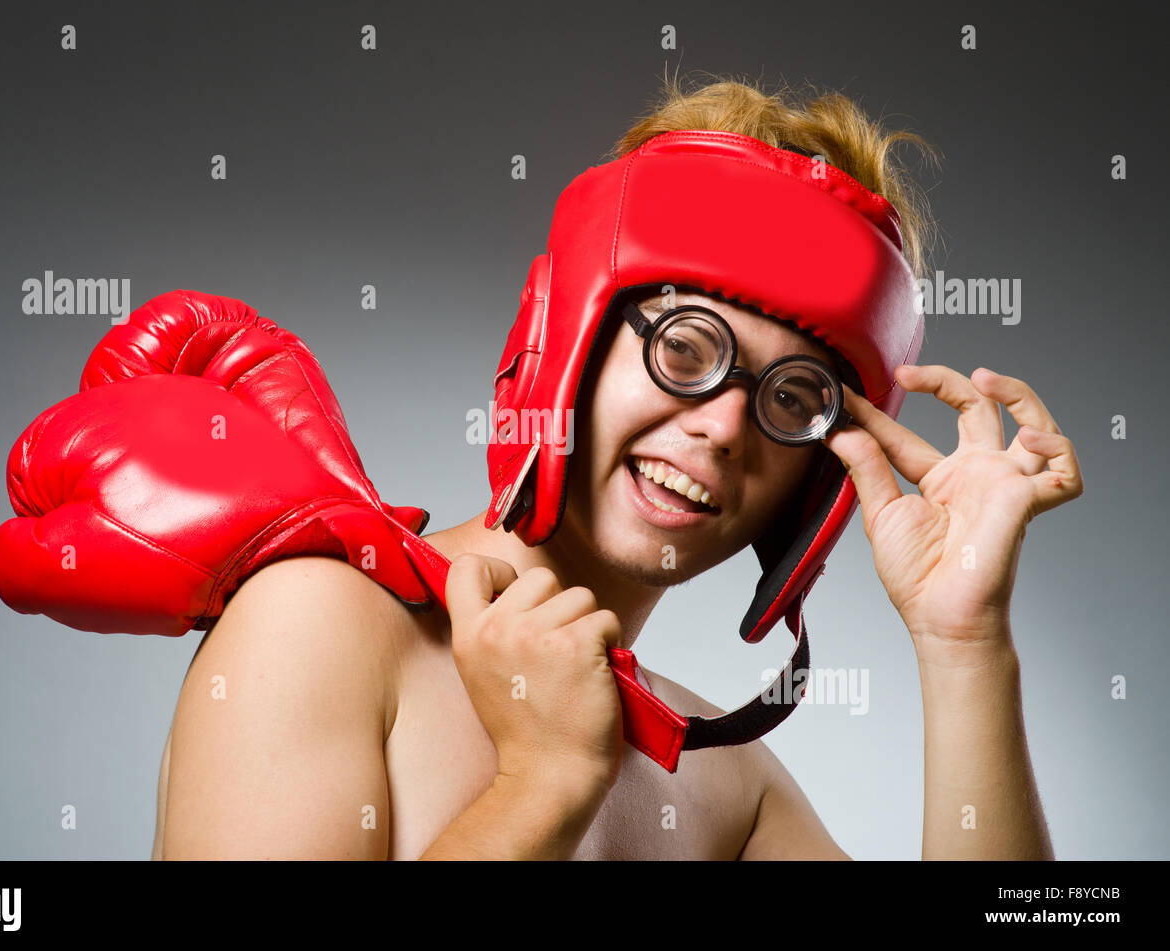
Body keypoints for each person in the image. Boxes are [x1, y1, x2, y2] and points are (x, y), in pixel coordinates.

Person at [139, 76, 1079, 859]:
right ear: (569, 349)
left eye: (791, 399)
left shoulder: (721, 786)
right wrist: (541, 782)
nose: (720, 429)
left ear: (816, 484)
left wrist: (967, 645)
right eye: (684, 346)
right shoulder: (319, 624)